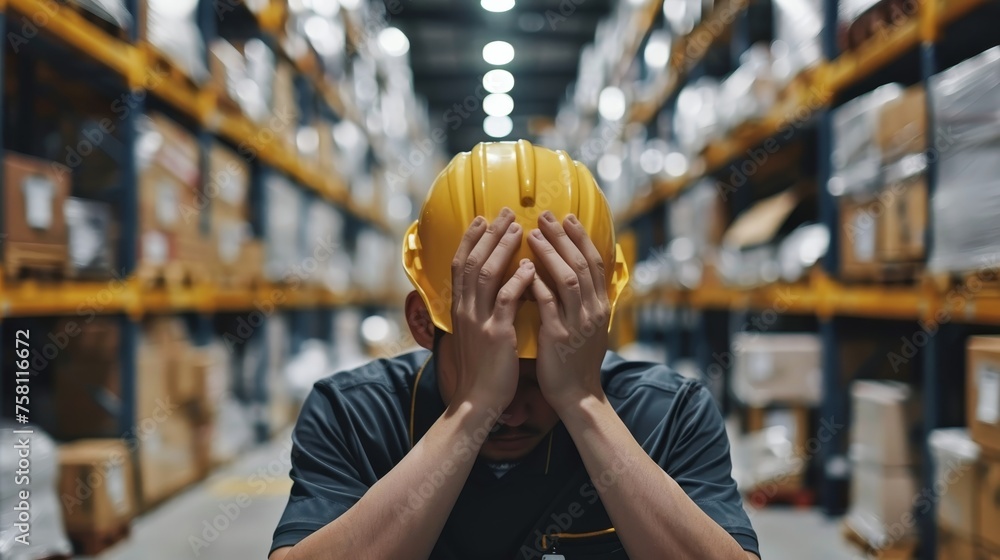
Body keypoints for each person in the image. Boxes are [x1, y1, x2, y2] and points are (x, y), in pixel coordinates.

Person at [268, 141, 760, 560]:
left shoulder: (669, 415)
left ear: (597, 331)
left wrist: (583, 401)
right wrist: (472, 409)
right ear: (421, 322)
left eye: (537, 379)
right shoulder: (354, 415)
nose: (512, 412)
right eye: (485, 366)